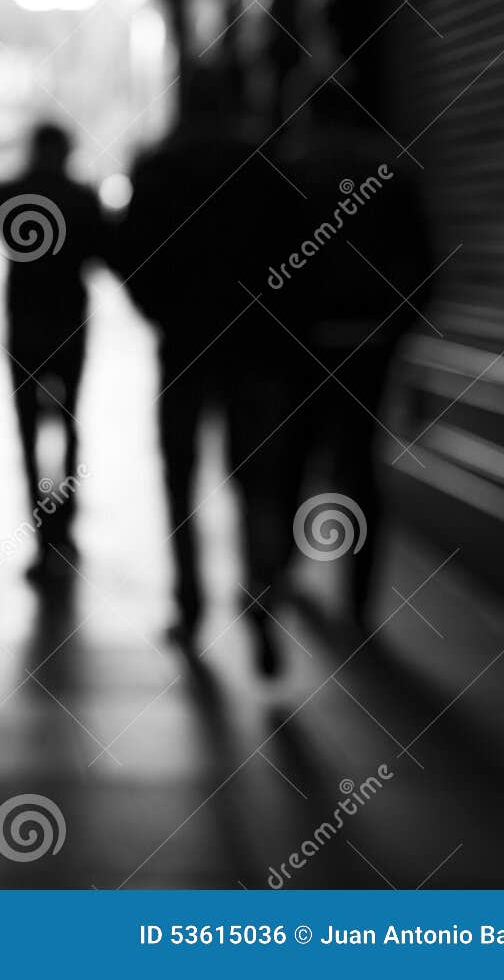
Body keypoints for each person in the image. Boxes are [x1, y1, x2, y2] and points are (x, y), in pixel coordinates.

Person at [114, 68, 294, 675]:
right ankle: (265, 605)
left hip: (184, 344)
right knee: (258, 480)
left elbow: (130, 254)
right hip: (257, 344)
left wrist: (160, 311)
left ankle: (190, 604)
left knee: (180, 477)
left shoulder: (159, 165)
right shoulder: (266, 164)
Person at [272, 75, 435, 632]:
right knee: (359, 461)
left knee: (294, 453)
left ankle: (281, 571)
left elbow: (269, 264)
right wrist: (396, 327)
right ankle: (359, 600)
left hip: (303, 340)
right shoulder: (392, 170)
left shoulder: (290, 169)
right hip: (370, 338)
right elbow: (425, 264)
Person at [0, 123, 103, 578]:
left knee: (29, 431)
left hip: (24, 327)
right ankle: (65, 525)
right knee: (71, 422)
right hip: (69, 324)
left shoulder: (6, 192)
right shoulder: (83, 197)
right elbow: (99, 252)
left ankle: (40, 532)